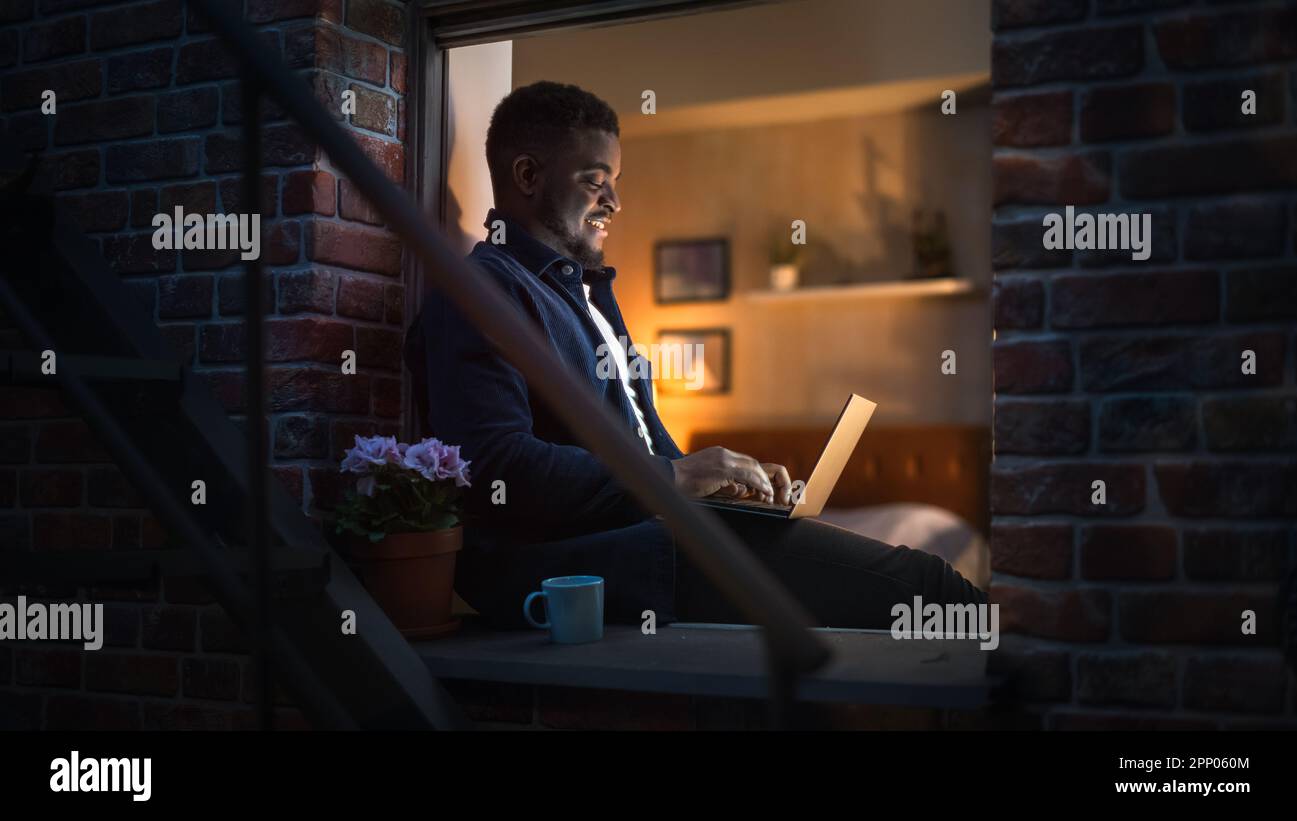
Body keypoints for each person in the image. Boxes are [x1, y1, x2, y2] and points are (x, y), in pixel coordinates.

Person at [404, 81, 986, 630]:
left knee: (924, 587)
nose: (615, 201)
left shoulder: (587, 296)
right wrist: (679, 476)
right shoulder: (478, 293)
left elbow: (649, 453)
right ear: (527, 175)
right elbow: (496, 467)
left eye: (616, 181)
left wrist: (722, 484)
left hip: (663, 536)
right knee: (930, 587)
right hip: (602, 561)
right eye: (594, 180)